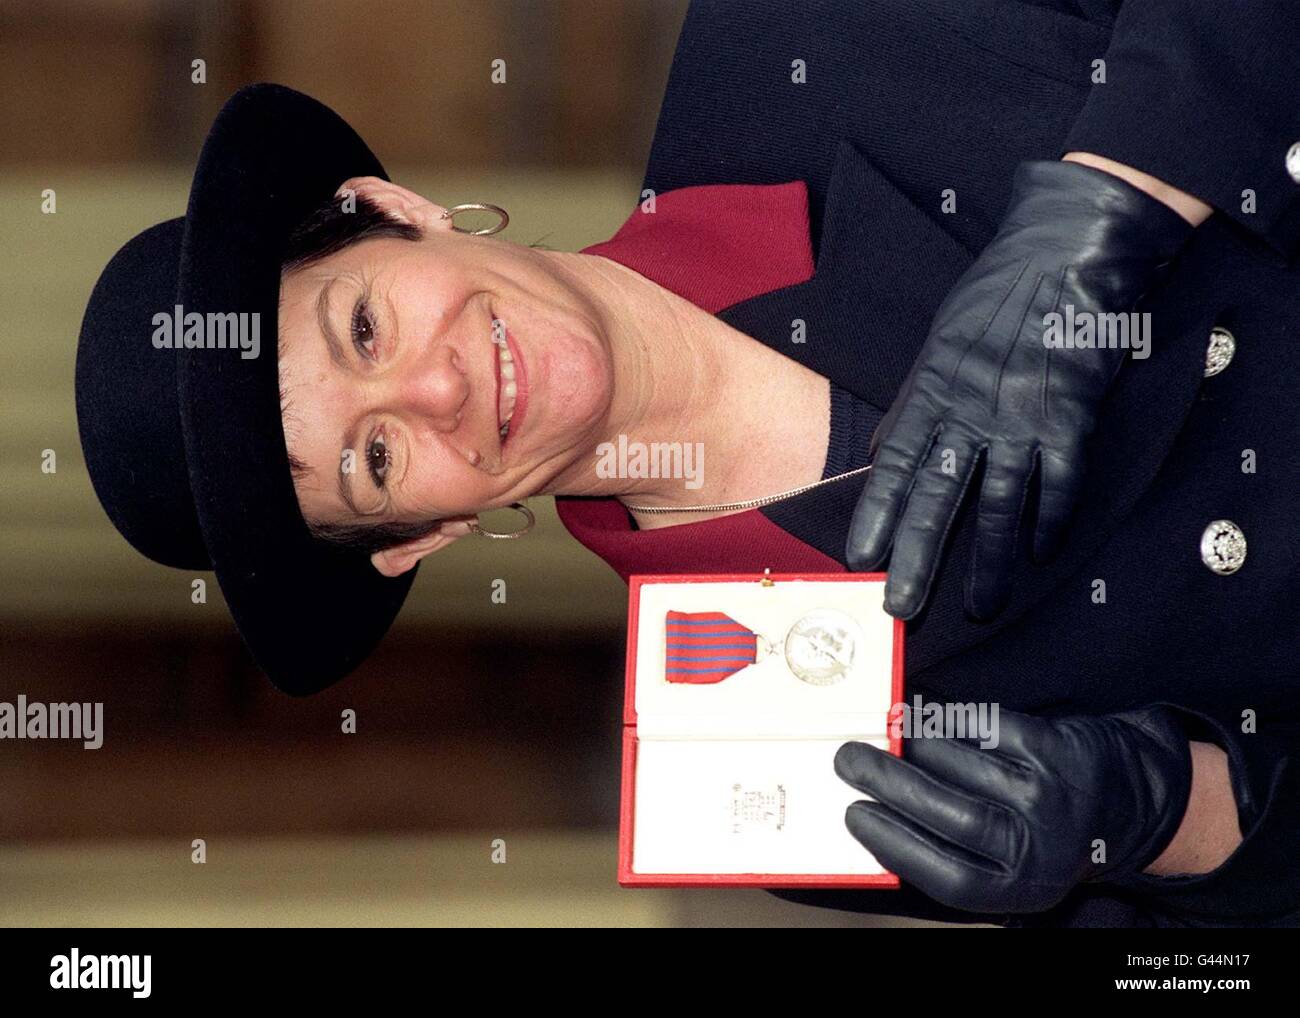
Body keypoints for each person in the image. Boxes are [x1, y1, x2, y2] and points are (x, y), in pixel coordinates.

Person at [76, 0, 1300, 927]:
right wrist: (1165, 818)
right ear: (421, 536)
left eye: (362, 327)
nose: (437, 389)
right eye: (376, 456)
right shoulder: (767, 766)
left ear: (399, 211)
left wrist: (1115, 194)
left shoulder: (790, 34)